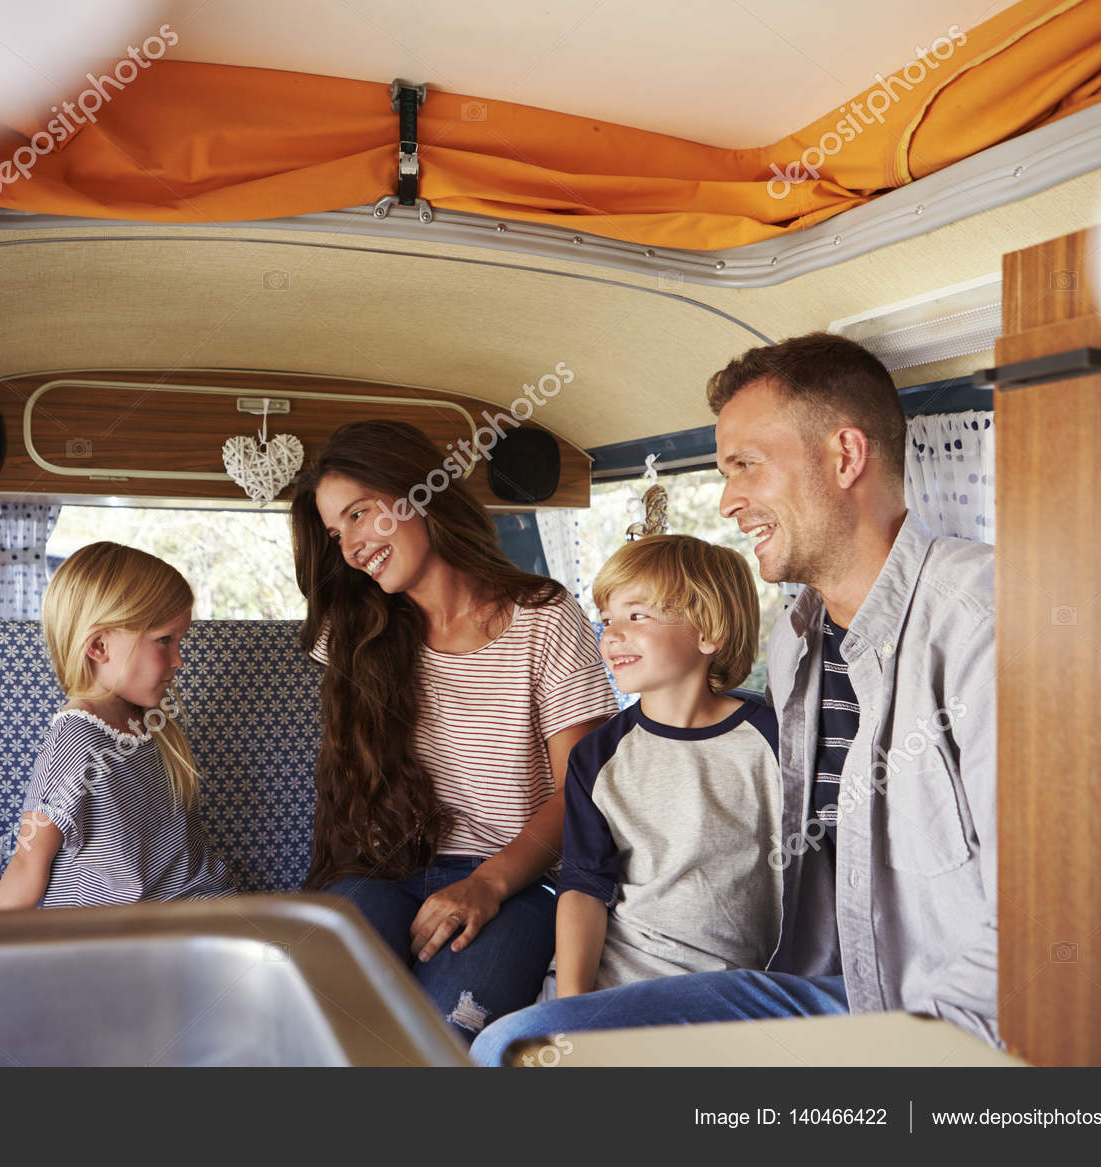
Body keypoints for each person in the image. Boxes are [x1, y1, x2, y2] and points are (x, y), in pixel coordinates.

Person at [474, 331, 997, 1065]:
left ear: (846, 456)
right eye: (723, 473)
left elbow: (1040, 915)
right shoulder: (797, 644)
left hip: (941, 1015)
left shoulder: (982, 620)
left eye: (746, 465)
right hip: (824, 988)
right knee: (515, 1047)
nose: (727, 502)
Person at [291, 420, 617, 1043]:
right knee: (319, 1016)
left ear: (418, 492)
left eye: (358, 514)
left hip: (515, 880)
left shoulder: (545, 617)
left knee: (442, 1036)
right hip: (383, 871)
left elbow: (581, 791)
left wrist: (488, 884)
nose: (351, 548)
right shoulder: (354, 634)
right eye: (336, 534)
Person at [468, 533, 781, 1064]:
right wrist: (573, 1010)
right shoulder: (597, 756)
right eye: (607, 618)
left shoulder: (775, 739)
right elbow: (584, 889)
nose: (611, 634)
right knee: (498, 1052)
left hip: (724, 993)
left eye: (637, 616)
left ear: (708, 631)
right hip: (608, 984)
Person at [0, 542, 233, 910]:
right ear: (99, 646)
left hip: (198, 912)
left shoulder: (149, 723)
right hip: (117, 934)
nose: (179, 660)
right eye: (165, 640)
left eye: (179, 642)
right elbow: (27, 864)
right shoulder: (75, 742)